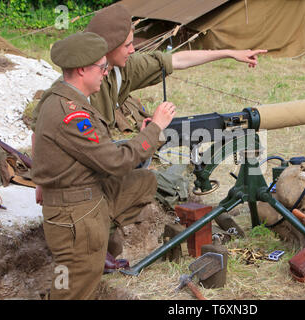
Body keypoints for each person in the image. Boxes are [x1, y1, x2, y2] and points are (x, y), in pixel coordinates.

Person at [31, 3, 266, 269]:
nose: (133, 49)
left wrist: (229, 54)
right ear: (107, 49)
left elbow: (173, 60)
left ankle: (101, 235)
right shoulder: (73, 91)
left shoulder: (122, 69)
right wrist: (41, 180)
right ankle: (92, 242)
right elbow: (39, 129)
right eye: (128, 44)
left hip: (96, 155)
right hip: (82, 172)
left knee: (141, 173)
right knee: (127, 162)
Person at [31, 32, 176, 299]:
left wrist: (142, 137)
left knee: (144, 182)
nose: (106, 72)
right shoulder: (72, 114)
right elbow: (115, 162)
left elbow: (90, 151)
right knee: (75, 288)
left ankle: (105, 239)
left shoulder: (57, 100)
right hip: (77, 218)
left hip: (80, 204)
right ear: (82, 70)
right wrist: (155, 127)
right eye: (101, 67)